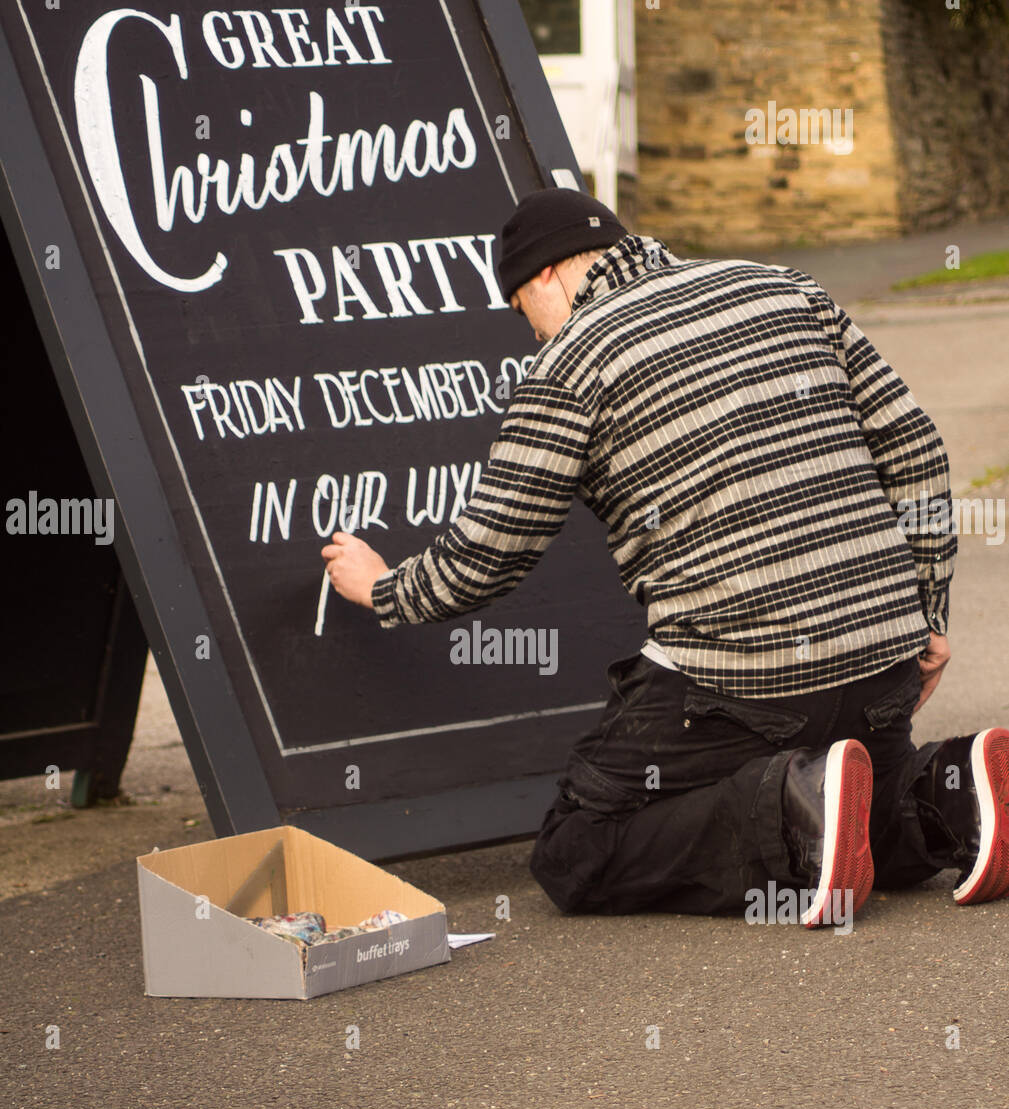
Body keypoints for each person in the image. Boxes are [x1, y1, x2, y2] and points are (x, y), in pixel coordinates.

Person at [322, 188, 1009, 926]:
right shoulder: (784, 287)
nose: (531, 335)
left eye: (523, 314)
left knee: (578, 847)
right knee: (855, 786)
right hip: (881, 659)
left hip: (742, 678)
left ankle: (790, 809)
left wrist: (383, 589)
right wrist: (924, 609)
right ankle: (945, 792)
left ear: (540, 279)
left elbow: (491, 551)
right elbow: (915, 447)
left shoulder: (571, 359)